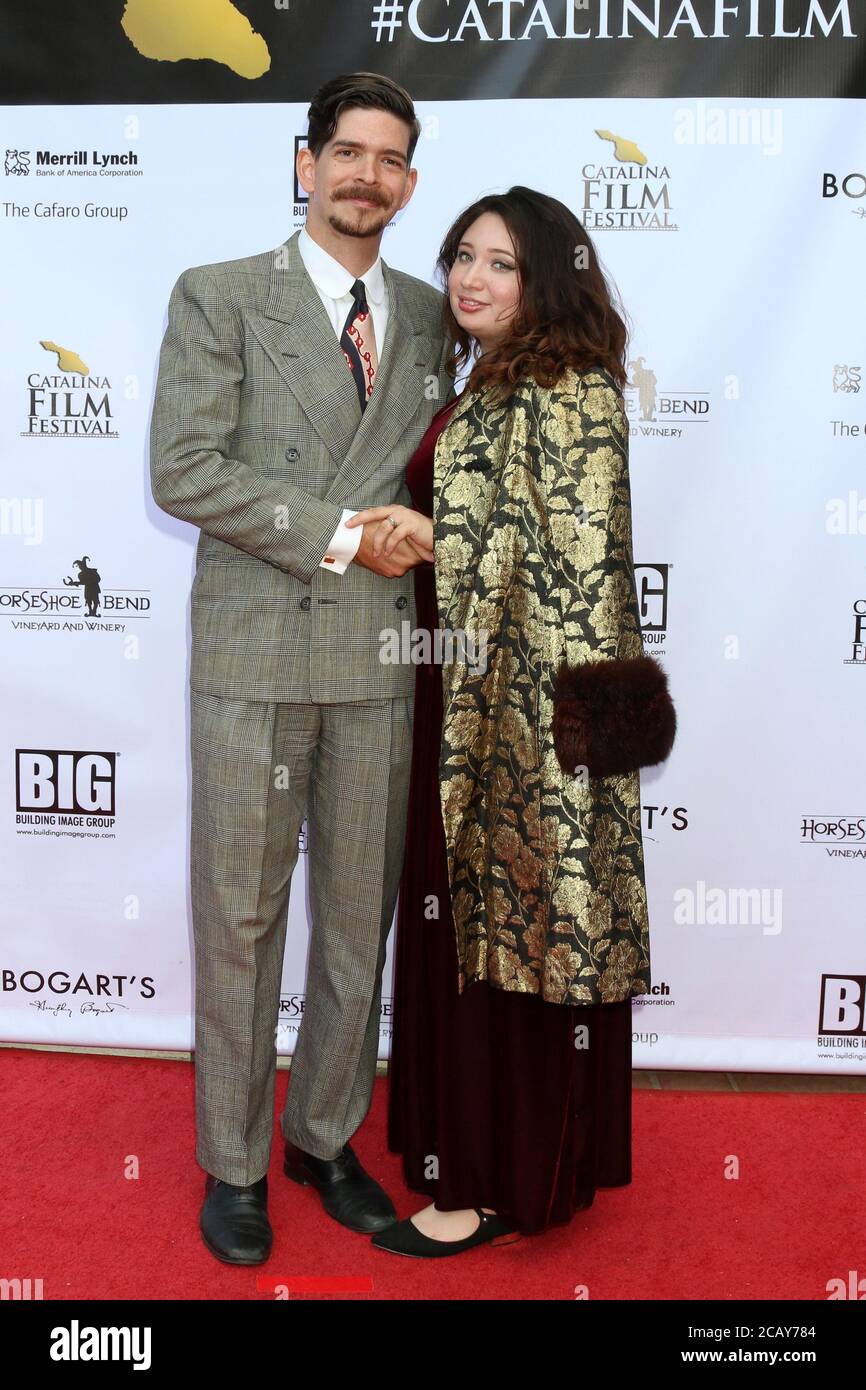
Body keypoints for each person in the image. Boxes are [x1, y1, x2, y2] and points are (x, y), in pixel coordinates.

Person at [149, 72, 454, 1265]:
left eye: (388, 160)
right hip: (254, 657)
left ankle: (323, 1138)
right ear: (303, 162)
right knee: (238, 921)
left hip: (380, 664)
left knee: (355, 922)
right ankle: (231, 1163)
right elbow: (182, 469)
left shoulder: (434, 314)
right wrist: (343, 532)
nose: (364, 177)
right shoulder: (219, 296)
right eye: (346, 153)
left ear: (408, 184)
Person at [346, 186, 677, 1257]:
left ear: (546, 280)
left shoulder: (571, 386)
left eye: (501, 264)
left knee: (521, 935)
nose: (472, 280)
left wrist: (430, 537)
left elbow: (576, 570)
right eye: (461, 258)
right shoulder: (487, 378)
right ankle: (490, 1163)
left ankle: (496, 1184)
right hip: (463, 699)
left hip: (528, 728)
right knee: (471, 934)